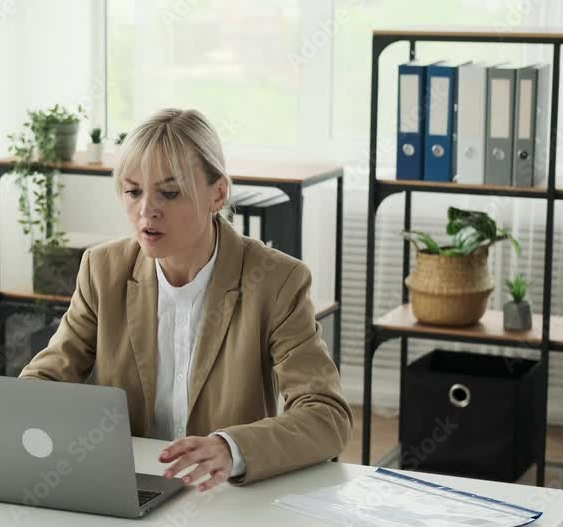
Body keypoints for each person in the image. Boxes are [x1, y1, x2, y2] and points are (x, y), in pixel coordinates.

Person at [19, 108, 352, 491]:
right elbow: (50, 375)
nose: (146, 210)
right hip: (128, 490)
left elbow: (327, 417)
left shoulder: (276, 280)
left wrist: (231, 448)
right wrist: (12, 409)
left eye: (169, 192)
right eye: (133, 191)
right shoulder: (103, 269)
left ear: (218, 193)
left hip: (224, 497)